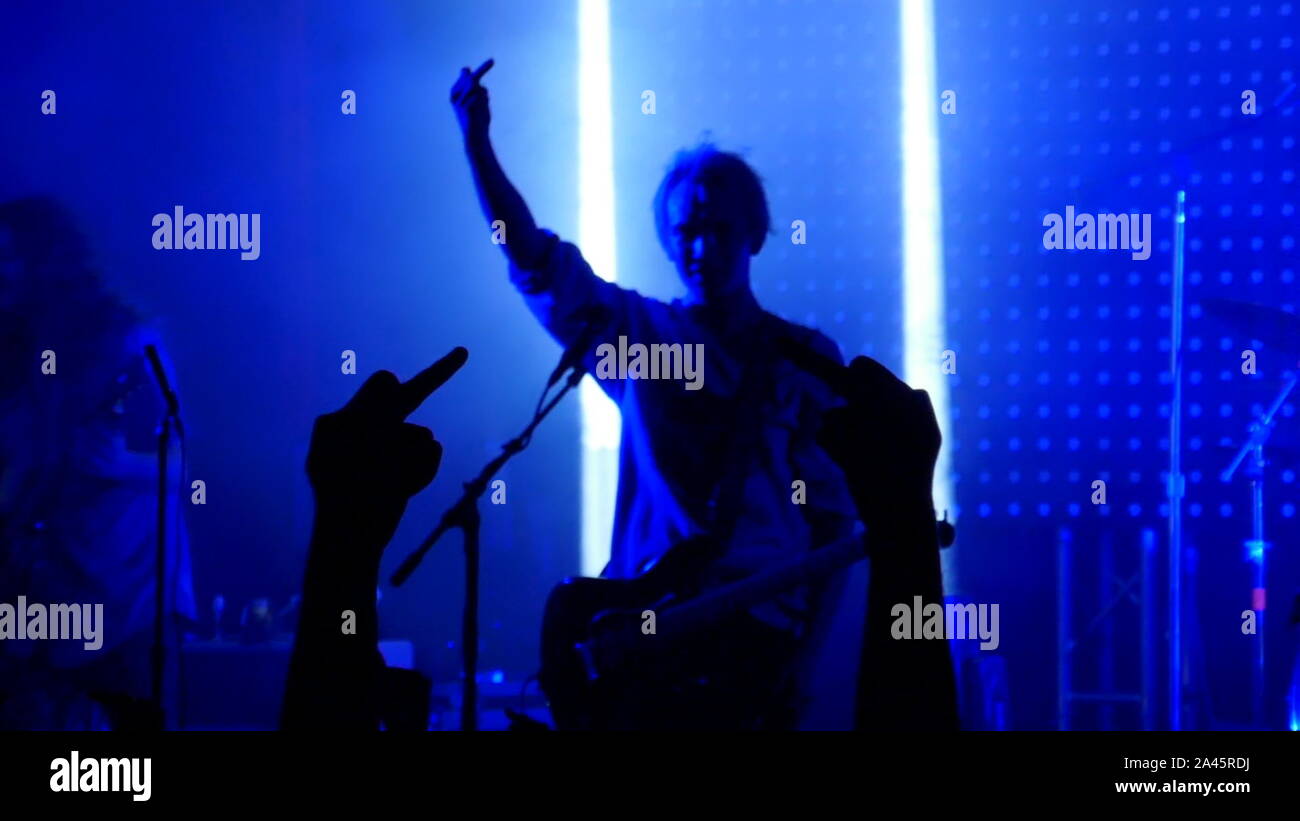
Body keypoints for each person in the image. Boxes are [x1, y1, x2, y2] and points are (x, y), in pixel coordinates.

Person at [450, 59, 872, 728]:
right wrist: (478, 145)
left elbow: (832, 521)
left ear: (755, 233)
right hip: (643, 635)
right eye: (687, 232)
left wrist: (805, 662)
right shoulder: (635, 333)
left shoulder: (804, 361)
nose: (703, 247)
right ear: (667, 243)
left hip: (755, 638)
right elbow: (531, 256)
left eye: (720, 230)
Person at [0, 196, 196, 730]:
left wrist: (121, 464)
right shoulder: (17, 354)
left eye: (10, 257)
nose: (2, 272)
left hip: (127, 591)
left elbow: (183, 470)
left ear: (46, 262)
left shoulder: (126, 341)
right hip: (44, 587)